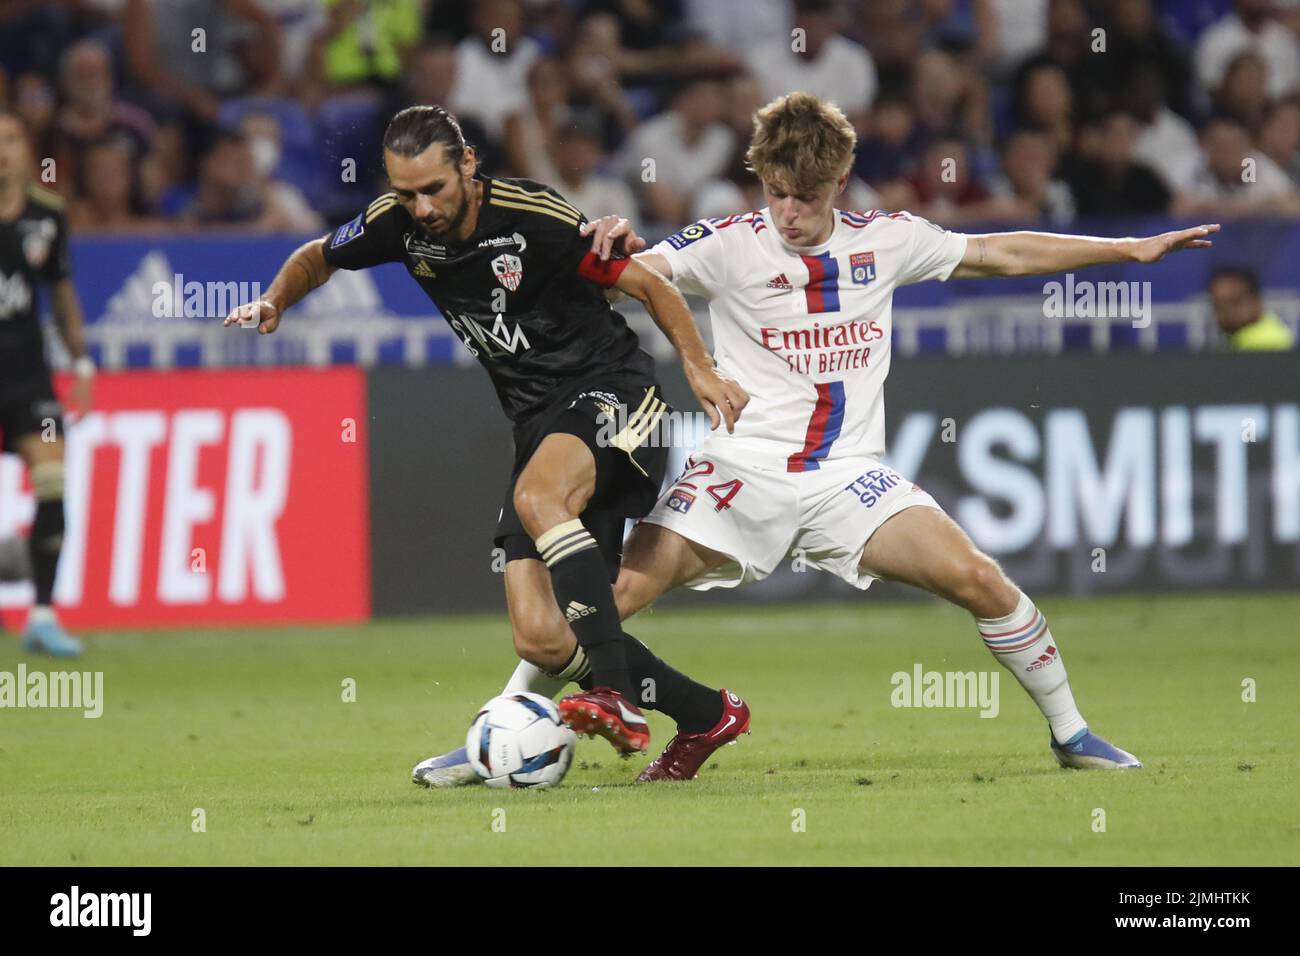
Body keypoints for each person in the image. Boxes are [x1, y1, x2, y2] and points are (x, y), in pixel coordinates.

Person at [416, 92, 1222, 784]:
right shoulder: (726, 243)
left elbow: (1000, 251)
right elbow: (636, 273)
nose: (791, 212)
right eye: (776, 193)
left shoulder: (889, 238)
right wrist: (606, 238)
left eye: (806, 195)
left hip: (849, 479)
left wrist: (1127, 247)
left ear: (840, 180)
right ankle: (500, 729)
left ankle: (1072, 734)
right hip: (738, 473)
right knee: (594, 611)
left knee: (980, 579)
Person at [221, 105, 751, 782]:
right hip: (539, 424)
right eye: (406, 192)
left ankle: (616, 698)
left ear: (468, 165)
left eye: (433, 189)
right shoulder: (398, 224)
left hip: (618, 395)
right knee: (541, 636)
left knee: (538, 494)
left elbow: (647, 284)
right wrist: (275, 300)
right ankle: (706, 712)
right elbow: (317, 257)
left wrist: (701, 369)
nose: (420, 207)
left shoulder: (536, 219)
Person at [0, 110, 93, 657]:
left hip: (28, 375)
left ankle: (41, 614)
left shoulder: (47, 216)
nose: (4, 150)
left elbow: (60, 294)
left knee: (53, 478)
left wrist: (80, 362)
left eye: (12, 140)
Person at [1208, 265, 1295, 350]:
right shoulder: (1234, 341)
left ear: (1256, 300)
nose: (1227, 311)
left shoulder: (1268, 343)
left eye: (1235, 302)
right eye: (1219, 305)